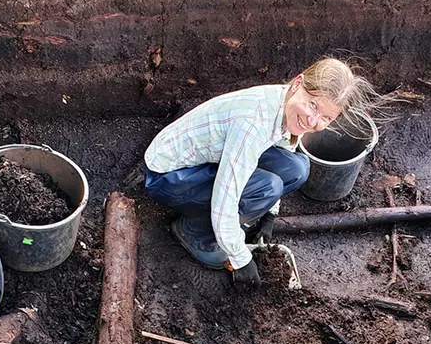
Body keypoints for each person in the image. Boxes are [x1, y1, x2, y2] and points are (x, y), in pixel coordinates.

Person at [143, 57, 385, 286]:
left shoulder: (287, 104)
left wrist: (270, 213)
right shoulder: (253, 122)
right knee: (267, 186)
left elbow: (284, 149)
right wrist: (241, 260)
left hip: (205, 162)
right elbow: (225, 198)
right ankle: (194, 232)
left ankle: (232, 220)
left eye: (326, 118)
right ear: (298, 83)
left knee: (297, 167)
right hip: (168, 177)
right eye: (313, 105)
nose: (313, 122)